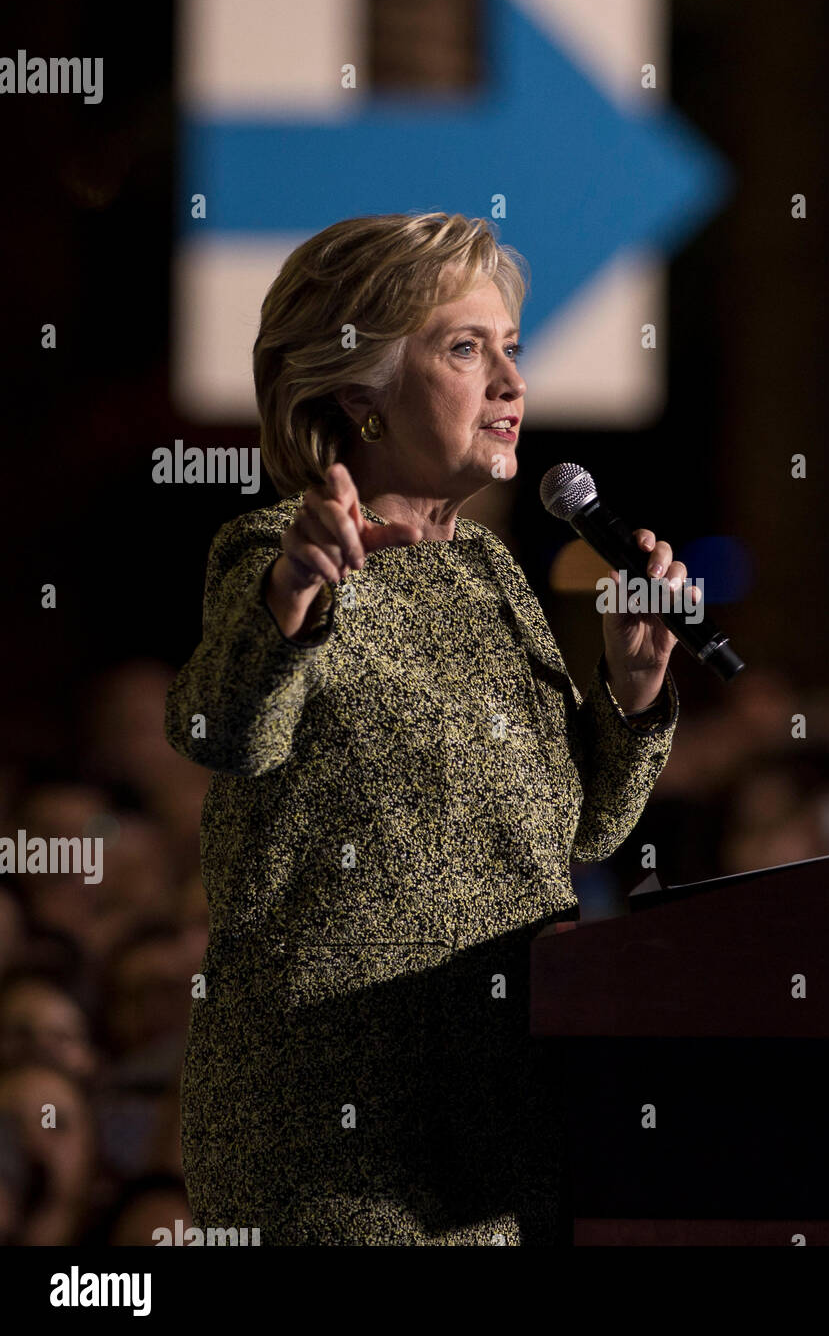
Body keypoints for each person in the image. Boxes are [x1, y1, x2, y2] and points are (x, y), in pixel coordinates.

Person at [163, 212, 690, 1245]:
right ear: (358, 390)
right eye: (463, 348)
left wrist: (629, 696)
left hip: (495, 1122)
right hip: (331, 1134)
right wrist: (291, 596)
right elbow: (219, 729)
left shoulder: (491, 574)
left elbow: (578, 839)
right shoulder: (272, 550)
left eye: (513, 350)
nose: (510, 382)